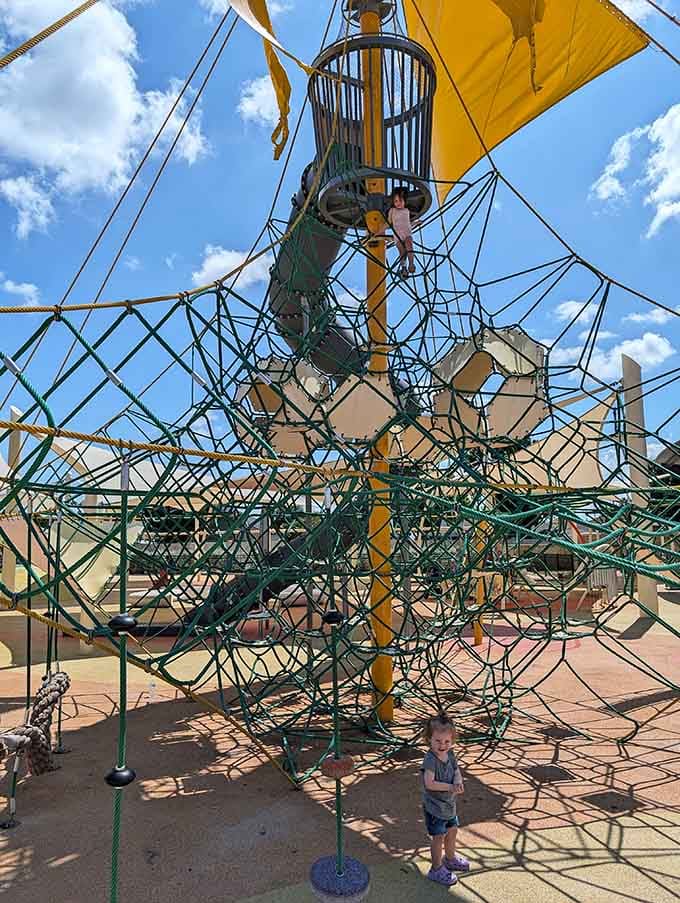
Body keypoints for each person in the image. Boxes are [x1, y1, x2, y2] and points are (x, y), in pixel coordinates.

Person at [421, 712, 471, 886]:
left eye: (447, 742)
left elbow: (456, 769)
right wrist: (450, 787)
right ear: (429, 739)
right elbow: (430, 783)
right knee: (438, 836)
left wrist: (458, 780)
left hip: (449, 805)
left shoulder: (450, 754)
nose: (442, 745)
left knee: (452, 831)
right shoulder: (430, 759)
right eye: (438, 741)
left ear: (452, 741)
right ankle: (436, 868)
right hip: (435, 808)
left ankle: (450, 858)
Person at [386, 187, 416, 278]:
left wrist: (416, 223)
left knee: (409, 246)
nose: (398, 203)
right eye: (395, 201)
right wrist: (378, 231)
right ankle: (403, 267)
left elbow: (407, 223)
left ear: (405, 201)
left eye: (400, 200)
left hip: (407, 233)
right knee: (402, 252)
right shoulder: (392, 211)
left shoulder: (406, 211)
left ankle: (411, 264)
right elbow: (388, 223)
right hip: (398, 236)